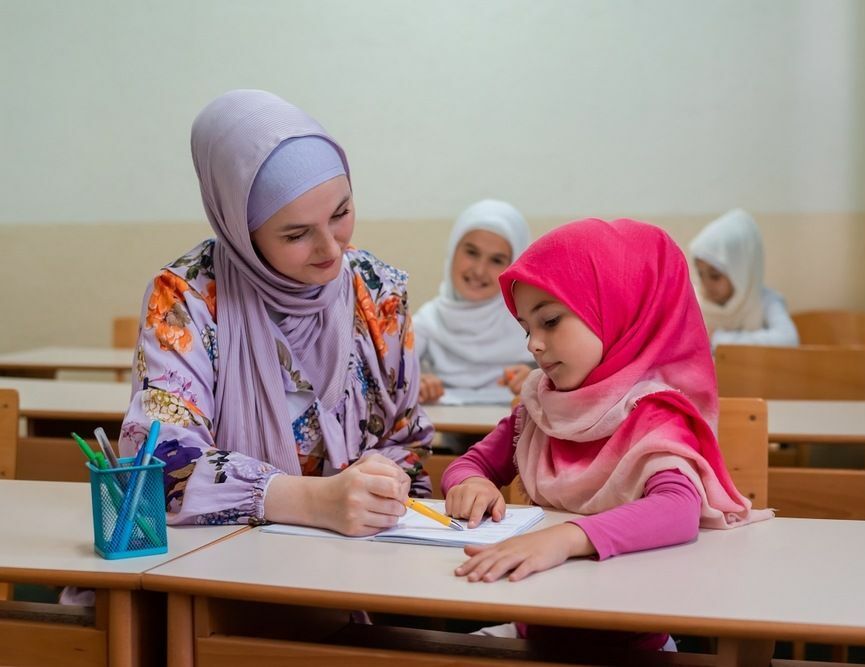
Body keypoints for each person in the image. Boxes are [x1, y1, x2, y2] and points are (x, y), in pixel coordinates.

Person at [441, 218, 770, 651]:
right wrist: (469, 483)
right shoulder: (541, 407)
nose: (533, 345)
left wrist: (565, 539)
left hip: (633, 649)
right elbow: (471, 462)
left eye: (551, 321)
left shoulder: (652, 414)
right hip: (529, 636)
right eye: (526, 328)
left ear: (615, 309)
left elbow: (678, 507)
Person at [119, 90, 431, 536]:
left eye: (341, 213)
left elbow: (406, 440)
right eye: (296, 234)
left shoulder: (377, 292)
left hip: (361, 561)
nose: (331, 248)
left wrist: (384, 482)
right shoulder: (188, 299)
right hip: (217, 564)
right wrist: (311, 500)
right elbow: (157, 462)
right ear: (240, 230)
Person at [413, 199, 533, 404]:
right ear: (453, 251)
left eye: (496, 260)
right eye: (471, 252)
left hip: (519, 433)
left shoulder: (531, 324)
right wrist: (415, 383)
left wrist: (537, 379)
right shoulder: (428, 322)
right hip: (447, 434)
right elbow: (390, 379)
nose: (479, 271)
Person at [688, 209, 799, 348]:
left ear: (741, 270)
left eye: (715, 276)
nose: (706, 283)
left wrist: (718, 338)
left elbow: (789, 340)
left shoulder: (765, 301)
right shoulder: (696, 303)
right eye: (700, 274)